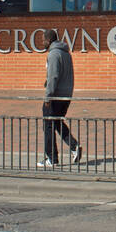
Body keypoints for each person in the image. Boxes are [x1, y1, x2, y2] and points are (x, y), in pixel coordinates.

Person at [40, 37, 81, 168]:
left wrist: (48, 97)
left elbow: (53, 76)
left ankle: (52, 158)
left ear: (48, 40)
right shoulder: (66, 53)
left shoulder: (53, 54)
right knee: (57, 122)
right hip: (66, 95)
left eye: (43, 40)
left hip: (55, 96)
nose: (42, 43)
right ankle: (74, 146)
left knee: (48, 126)